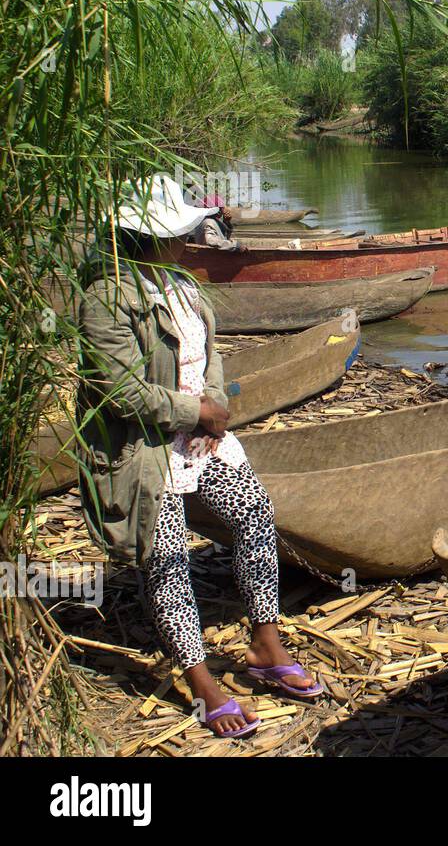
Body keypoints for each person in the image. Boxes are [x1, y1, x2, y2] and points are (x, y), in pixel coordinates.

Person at [77, 175, 321, 739]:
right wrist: (197, 414)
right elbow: (121, 396)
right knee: (167, 560)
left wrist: (212, 403)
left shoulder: (180, 284)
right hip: (145, 450)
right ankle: (201, 679)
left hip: (200, 438)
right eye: (179, 232)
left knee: (255, 516)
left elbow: (208, 355)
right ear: (146, 238)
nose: (190, 239)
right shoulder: (108, 298)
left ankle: (265, 642)